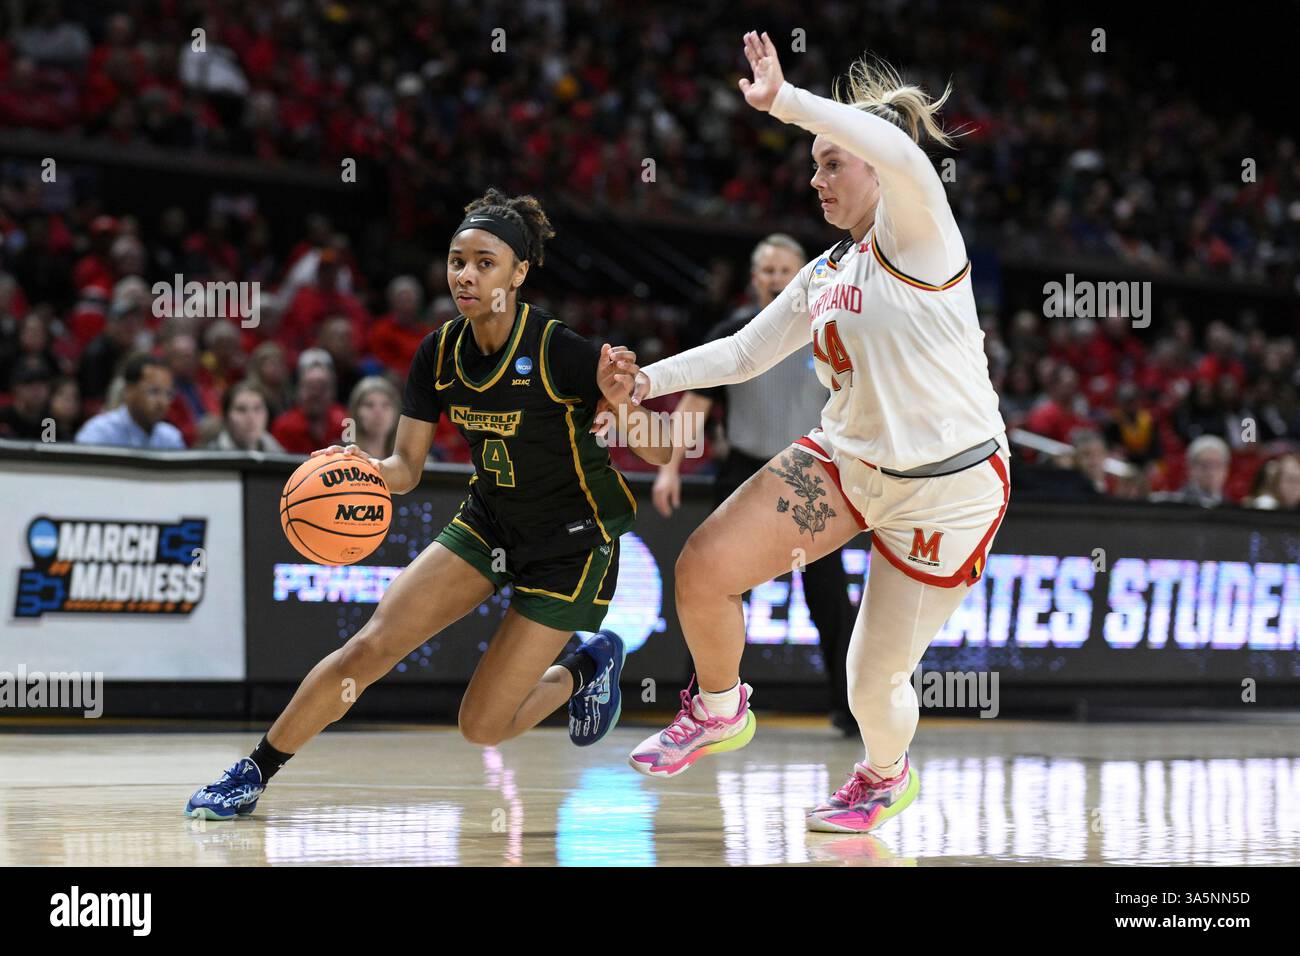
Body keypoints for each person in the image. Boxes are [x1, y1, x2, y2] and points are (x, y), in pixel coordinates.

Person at [609, 35, 1010, 834]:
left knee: (872, 681)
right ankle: (719, 708)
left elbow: (895, 145)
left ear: (872, 164)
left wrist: (785, 102)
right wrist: (647, 381)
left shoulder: (922, 229)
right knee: (704, 568)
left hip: (950, 488)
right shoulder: (825, 269)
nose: (816, 178)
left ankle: (885, 774)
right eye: (815, 164)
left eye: (834, 163)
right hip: (850, 463)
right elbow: (747, 350)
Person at [185, 189, 671, 820]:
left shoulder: (561, 350)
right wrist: (357, 472)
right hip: (490, 521)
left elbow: (659, 453)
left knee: (482, 726)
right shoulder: (438, 352)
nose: (465, 275)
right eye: (456, 260)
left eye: (485, 262)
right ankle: (253, 770)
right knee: (370, 647)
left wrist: (625, 401)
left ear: (520, 273)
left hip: (572, 544)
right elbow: (406, 470)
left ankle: (586, 665)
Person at [652, 233, 856, 734]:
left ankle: (851, 712)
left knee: (829, 598)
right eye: (767, 270)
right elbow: (695, 405)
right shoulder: (732, 331)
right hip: (744, 469)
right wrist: (669, 467)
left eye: (786, 270)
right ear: (754, 278)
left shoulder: (826, 329)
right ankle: (701, 706)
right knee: (713, 583)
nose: (776, 278)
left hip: (813, 475)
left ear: (801, 277)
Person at [75, 353, 185, 449]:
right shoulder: (100, 432)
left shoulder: (170, 438)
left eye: (168, 394)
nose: (162, 402)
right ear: (129, 391)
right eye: (154, 391)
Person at [1150, 434, 1231, 508]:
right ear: (1191, 468)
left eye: (1217, 465)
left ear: (1226, 470)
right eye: (1204, 465)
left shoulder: (1230, 507)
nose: (1211, 472)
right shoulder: (1175, 503)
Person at [204, 381, 284, 453]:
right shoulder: (209, 456)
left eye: (257, 408)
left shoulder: (278, 453)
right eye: (241, 410)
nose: (251, 418)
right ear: (226, 417)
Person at [346, 375, 400, 460]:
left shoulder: (407, 458)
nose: (378, 413)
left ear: (396, 412)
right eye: (369, 405)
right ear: (356, 412)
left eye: (386, 405)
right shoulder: (344, 454)